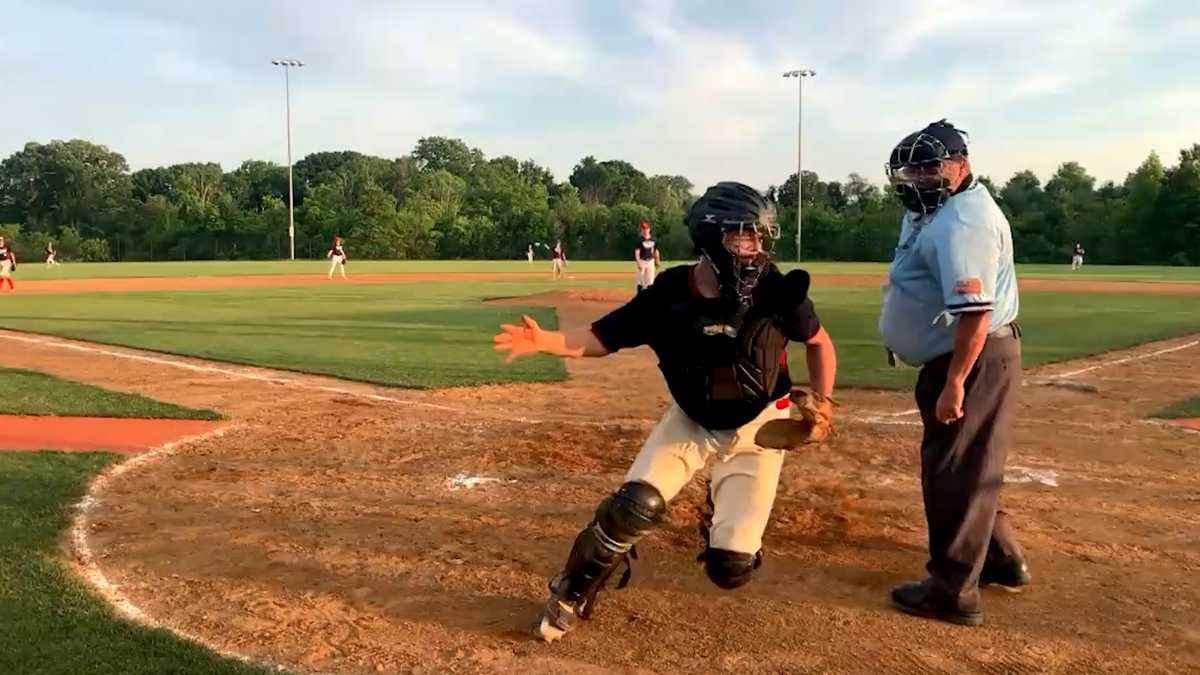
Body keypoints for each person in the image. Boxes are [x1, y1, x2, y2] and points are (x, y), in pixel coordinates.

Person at [494, 181, 838, 642]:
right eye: (741, 236)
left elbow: (819, 342)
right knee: (633, 507)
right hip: (691, 420)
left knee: (731, 569)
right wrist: (545, 341)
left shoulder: (776, 289)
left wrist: (824, 401)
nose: (753, 248)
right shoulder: (671, 293)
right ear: (711, 238)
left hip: (761, 428)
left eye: (758, 237)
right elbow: (602, 337)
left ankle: (722, 507)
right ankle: (571, 592)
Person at [879, 119, 1029, 627]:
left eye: (930, 166)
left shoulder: (964, 221)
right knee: (968, 464)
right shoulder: (934, 209)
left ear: (961, 166)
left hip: (973, 358)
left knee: (951, 473)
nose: (919, 177)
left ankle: (952, 589)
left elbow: (974, 313)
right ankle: (1002, 560)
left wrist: (955, 382)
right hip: (963, 356)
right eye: (912, 168)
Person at [633, 220, 660, 293]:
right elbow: (637, 253)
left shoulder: (653, 240)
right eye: (643, 229)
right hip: (642, 261)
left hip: (650, 261)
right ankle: (639, 296)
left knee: (650, 281)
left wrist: (657, 261)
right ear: (641, 230)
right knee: (640, 281)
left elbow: (655, 250)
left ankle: (648, 298)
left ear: (649, 229)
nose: (645, 230)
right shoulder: (640, 241)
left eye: (646, 228)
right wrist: (639, 263)